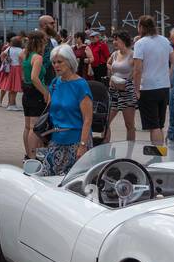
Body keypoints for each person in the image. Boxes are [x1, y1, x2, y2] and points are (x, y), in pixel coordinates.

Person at [35, 44, 93, 176]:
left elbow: (88, 119)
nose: (56, 65)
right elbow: (50, 112)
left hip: (77, 142)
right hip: (56, 141)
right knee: (47, 179)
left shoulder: (80, 85)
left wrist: (83, 146)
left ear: (70, 62)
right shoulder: (55, 83)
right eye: (54, 62)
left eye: (60, 62)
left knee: (73, 185)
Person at [132, 15, 174, 145]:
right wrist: (168, 75)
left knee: (153, 125)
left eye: (138, 25)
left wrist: (136, 89)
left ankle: (157, 156)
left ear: (142, 27)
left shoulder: (140, 43)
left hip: (148, 88)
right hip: (163, 87)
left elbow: (137, 69)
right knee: (159, 125)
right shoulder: (164, 40)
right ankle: (160, 152)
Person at [21, 29, 51, 159]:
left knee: (27, 126)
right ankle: (33, 157)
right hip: (36, 93)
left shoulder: (24, 54)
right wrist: (45, 92)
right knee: (34, 127)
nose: (45, 45)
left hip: (27, 92)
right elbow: (34, 77)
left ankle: (28, 154)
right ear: (40, 43)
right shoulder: (37, 58)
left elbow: (24, 76)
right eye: (44, 43)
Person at [105, 31, 138, 143]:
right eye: (113, 39)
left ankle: (129, 153)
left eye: (116, 39)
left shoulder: (132, 54)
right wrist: (112, 72)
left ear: (123, 40)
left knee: (129, 124)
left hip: (126, 91)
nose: (114, 42)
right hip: (113, 91)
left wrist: (130, 78)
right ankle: (106, 149)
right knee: (105, 122)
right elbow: (108, 63)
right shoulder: (114, 54)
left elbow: (138, 70)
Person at [0, 34, 24, 110]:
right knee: (14, 88)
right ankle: (12, 105)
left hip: (9, 69)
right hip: (17, 69)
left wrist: (4, 61)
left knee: (11, 87)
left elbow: (2, 55)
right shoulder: (20, 50)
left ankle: (11, 103)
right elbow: (22, 60)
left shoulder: (9, 48)